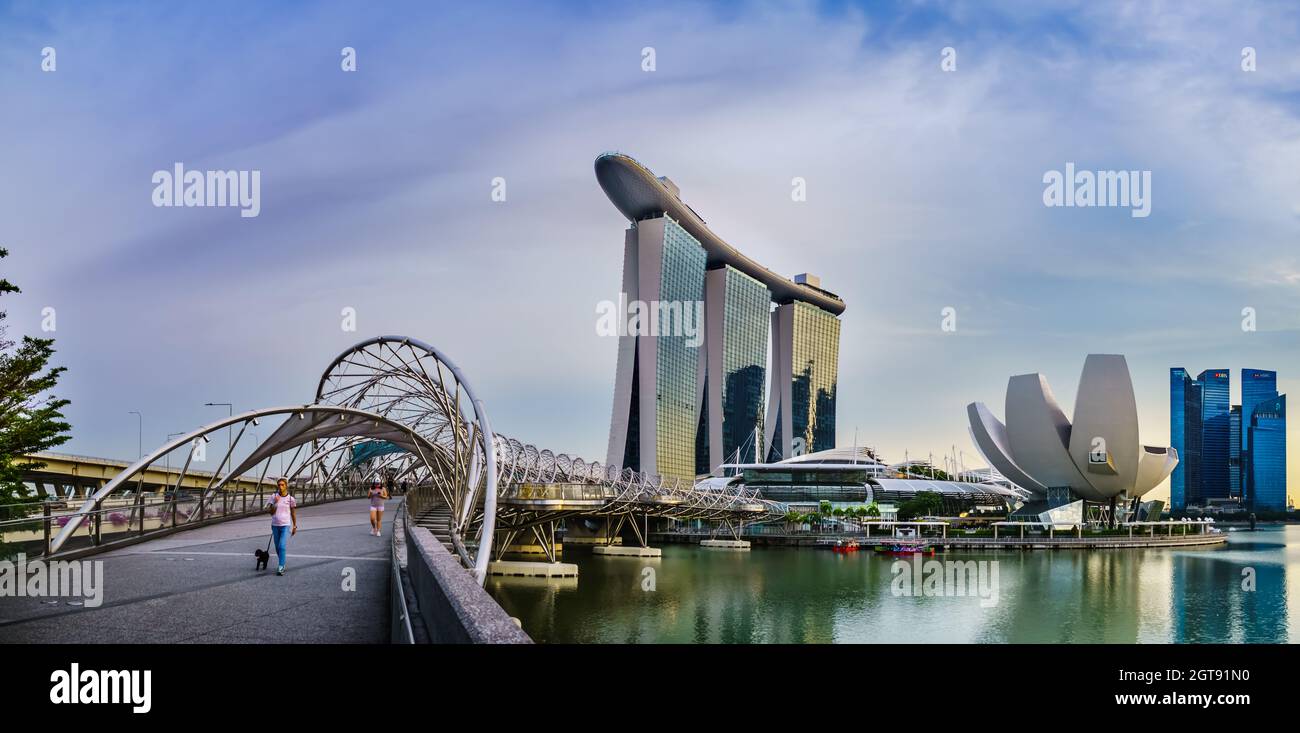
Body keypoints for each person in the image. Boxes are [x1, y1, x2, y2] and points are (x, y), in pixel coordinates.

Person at [265, 478, 298, 575]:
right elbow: (270, 513)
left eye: (282, 485)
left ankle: (281, 566)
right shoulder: (274, 496)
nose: (280, 486)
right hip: (275, 525)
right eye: (279, 485)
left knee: (281, 546)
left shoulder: (290, 498)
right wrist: (275, 502)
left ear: (286, 485)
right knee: (277, 547)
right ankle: (282, 562)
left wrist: (295, 526)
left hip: (285, 525)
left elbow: (293, 513)